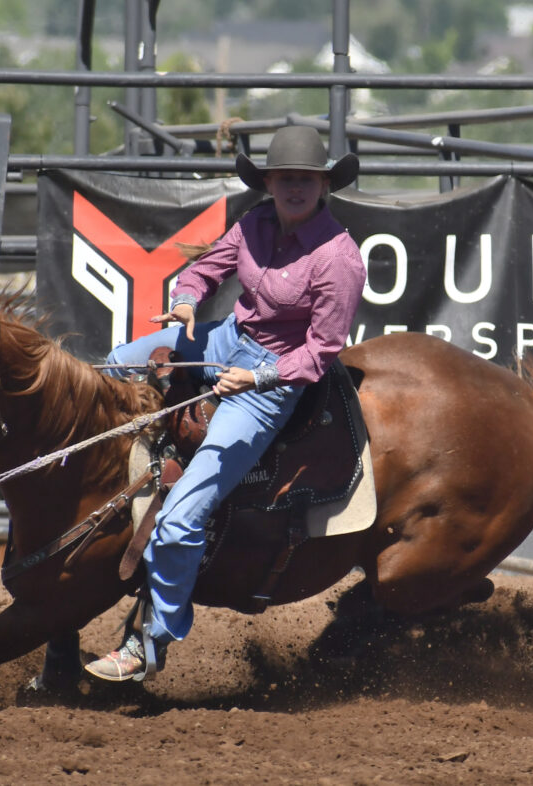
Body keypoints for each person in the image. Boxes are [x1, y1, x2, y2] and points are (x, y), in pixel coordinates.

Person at [85, 125, 366, 682]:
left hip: (273, 385)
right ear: (267, 182)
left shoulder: (339, 258)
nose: (293, 188)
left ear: (323, 186)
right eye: (283, 178)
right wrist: (185, 302)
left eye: (305, 179)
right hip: (220, 338)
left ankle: (152, 642)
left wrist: (258, 377)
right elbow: (203, 270)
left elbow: (321, 352)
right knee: (116, 362)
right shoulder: (255, 223)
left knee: (182, 517)